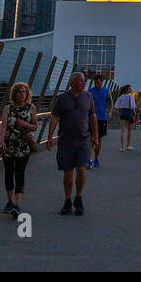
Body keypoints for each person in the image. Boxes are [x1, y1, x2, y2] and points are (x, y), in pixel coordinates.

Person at [47, 71, 98, 215]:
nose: (83, 83)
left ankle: (79, 197)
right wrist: (50, 136)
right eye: (80, 81)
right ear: (73, 82)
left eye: (84, 81)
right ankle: (68, 200)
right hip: (66, 140)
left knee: (81, 168)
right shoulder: (62, 98)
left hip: (83, 138)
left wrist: (96, 136)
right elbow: (55, 117)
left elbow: (92, 116)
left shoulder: (87, 96)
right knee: (68, 171)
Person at [0, 81, 37, 217]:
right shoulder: (8, 108)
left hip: (23, 145)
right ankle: (10, 201)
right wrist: (1, 141)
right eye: (19, 92)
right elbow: (3, 125)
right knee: (9, 173)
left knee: (20, 173)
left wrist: (24, 123)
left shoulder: (31, 108)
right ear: (14, 94)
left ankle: (17, 204)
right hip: (9, 144)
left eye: (24, 92)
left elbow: (34, 126)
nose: (22, 94)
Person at [86, 75, 112, 169]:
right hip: (92, 118)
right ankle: (89, 160)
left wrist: (110, 112)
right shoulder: (90, 91)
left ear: (102, 82)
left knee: (99, 140)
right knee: (91, 139)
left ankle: (96, 158)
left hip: (102, 118)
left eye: (98, 83)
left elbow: (110, 102)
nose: (97, 85)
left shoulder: (106, 91)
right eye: (95, 83)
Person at [115, 85, 136, 151]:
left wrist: (119, 112)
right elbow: (133, 107)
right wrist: (134, 114)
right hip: (129, 112)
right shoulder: (131, 96)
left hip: (122, 112)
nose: (131, 90)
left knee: (122, 130)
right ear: (126, 90)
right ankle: (128, 146)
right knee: (129, 130)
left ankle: (122, 147)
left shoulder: (121, 97)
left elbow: (117, 106)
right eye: (129, 89)